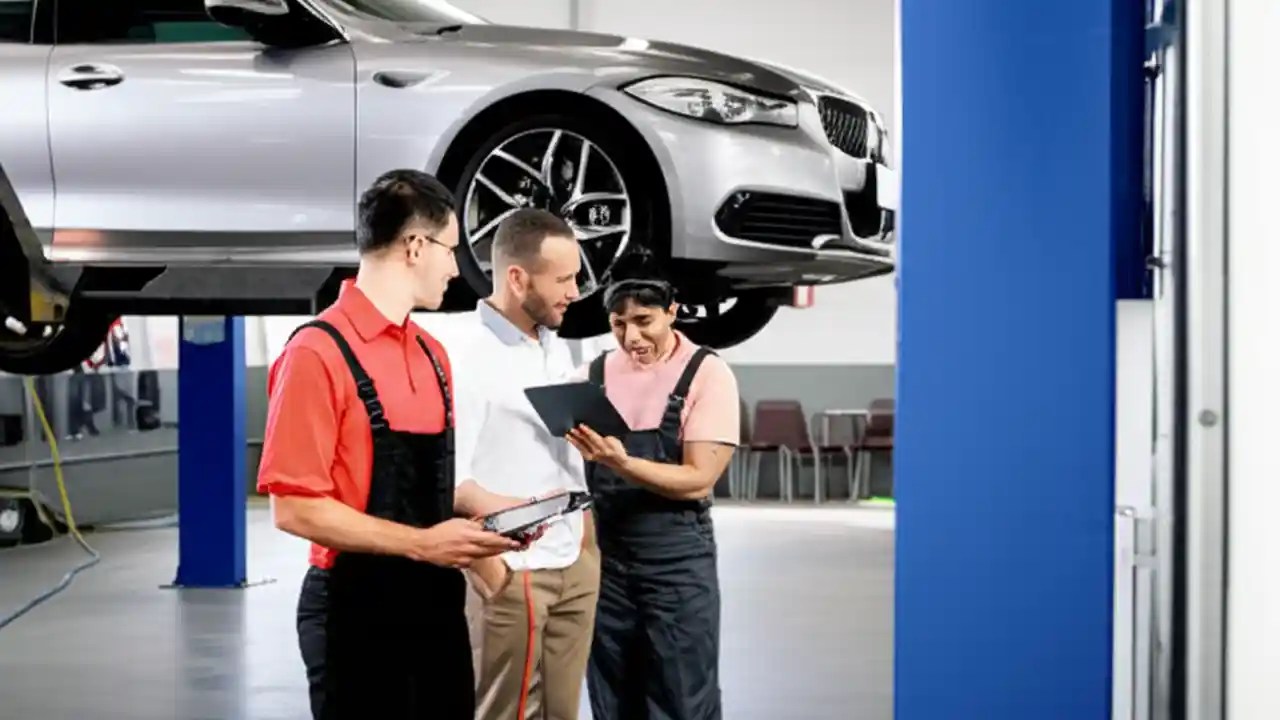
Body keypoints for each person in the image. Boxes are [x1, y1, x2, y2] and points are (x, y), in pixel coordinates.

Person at [256, 169, 529, 720]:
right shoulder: (316, 353)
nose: (456, 267)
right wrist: (425, 545)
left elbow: (420, 480)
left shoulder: (432, 354)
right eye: (451, 250)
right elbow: (294, 507)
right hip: (353, 615)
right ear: (414, 246)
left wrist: (492, 510)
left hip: (434, 607)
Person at [566, 277, 740, 720]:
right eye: (618, 323)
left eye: (644, 321)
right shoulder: (594, 373)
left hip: (677, 558)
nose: (631, 337)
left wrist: (622, 464)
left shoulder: (706, 372)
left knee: (681, 692)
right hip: (607, 559)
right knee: (612, 687)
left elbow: (699, 478)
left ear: (672, 312)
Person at [455, 208, 601, 720]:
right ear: (517, 279)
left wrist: (584, 543)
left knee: (561, 712)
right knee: (504, 713)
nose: (575, 291)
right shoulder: (465, 358)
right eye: (563, 279)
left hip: (574, 564)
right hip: (515, 572)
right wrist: (497, 573)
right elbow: (451, 482)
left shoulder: (555, 345)